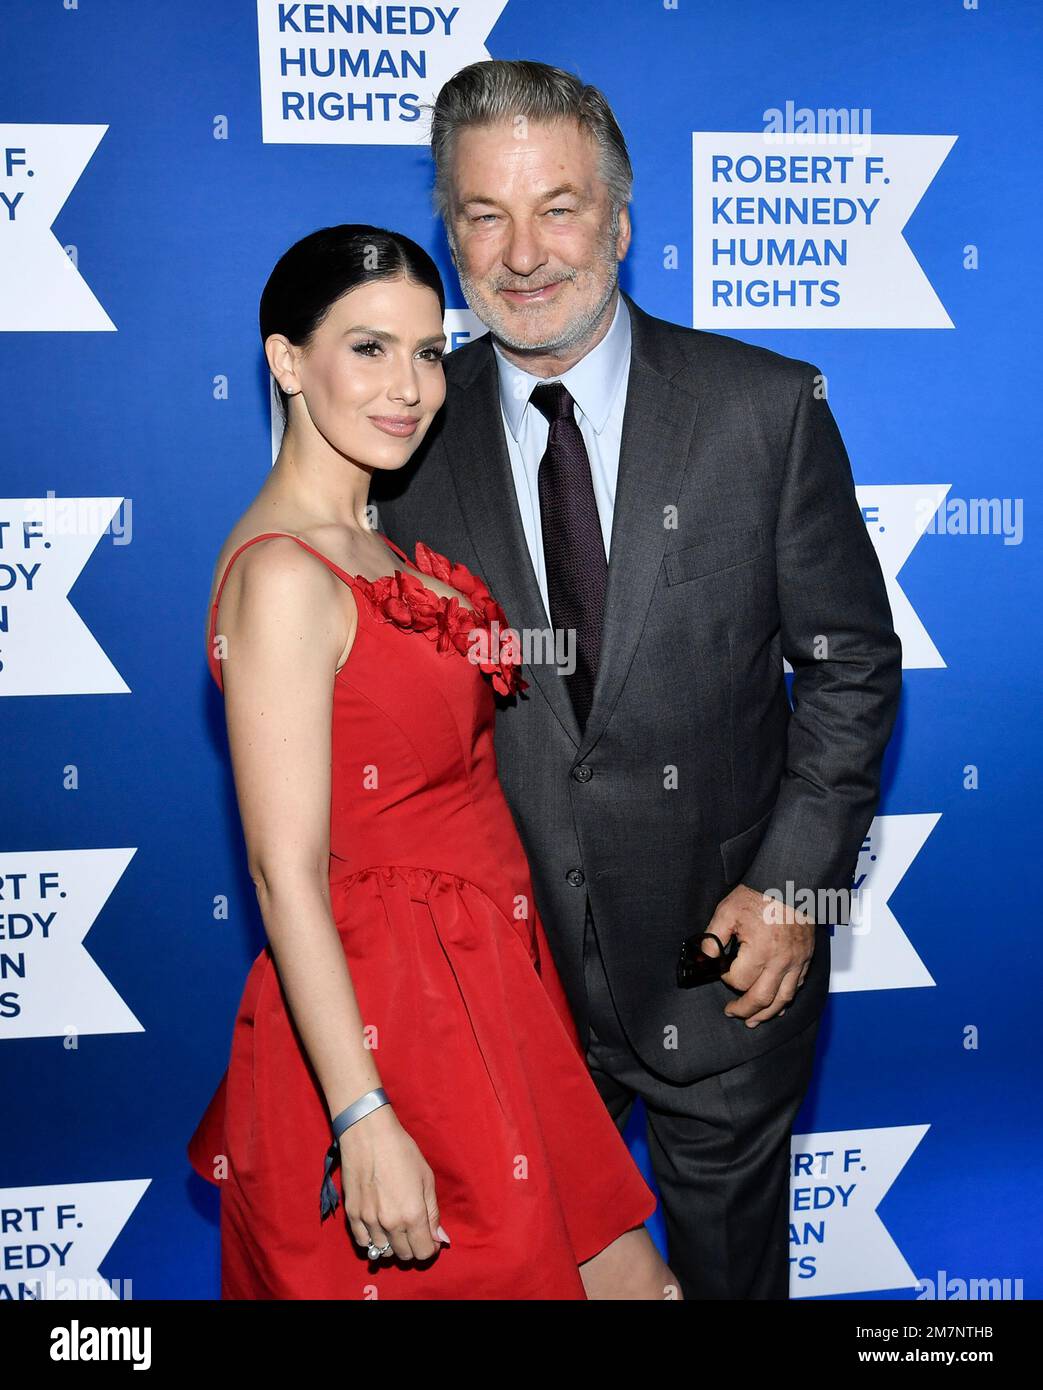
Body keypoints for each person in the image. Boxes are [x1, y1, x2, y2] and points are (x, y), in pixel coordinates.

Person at [370, 60, 904, 1300]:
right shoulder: (402, 447)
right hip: (504, 989)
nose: (521, 253)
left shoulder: (761, 411)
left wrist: (788, 891)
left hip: (722, 969)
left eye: (556, 206)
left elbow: (846, 668)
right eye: (481, 216)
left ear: (617, 219)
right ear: (448, 233)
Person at [186, 224, 680, 1301]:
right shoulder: (281, 576)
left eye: (424, 350)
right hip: (391, 1016)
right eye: (368, 350)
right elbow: (285, 873)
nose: (409, 386)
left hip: (489, 989)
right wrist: (362, 1113)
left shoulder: (379, 546)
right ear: (285, 362)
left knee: (633, 1283)